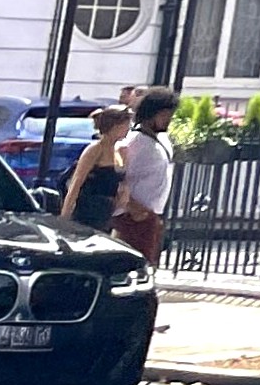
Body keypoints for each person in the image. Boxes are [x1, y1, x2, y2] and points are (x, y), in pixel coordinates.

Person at [109, 88, 176, 262]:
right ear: (152, 114)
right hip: (133, 216)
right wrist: (135, 209)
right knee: (133, 265)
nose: (168, 119)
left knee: (147, 264)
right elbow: (117, 178)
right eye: (164, 115)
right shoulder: (136, 142)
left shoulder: (161, 140)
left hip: (149, 216)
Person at [53, 101, 128, 228]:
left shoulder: (119, 150)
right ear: (115, 126)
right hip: (88, 209)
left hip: (106, 211)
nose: (128, 128)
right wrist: (65, 216)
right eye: (125, 125)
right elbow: (76, 182)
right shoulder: (95, 149)